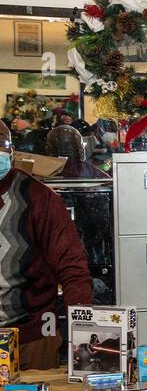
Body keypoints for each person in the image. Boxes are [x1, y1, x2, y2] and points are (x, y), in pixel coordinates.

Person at [0, 120, 94, 369]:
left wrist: (82, 335)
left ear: (12, 150)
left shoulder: (38, 198)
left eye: (2, 144)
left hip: (32, 337)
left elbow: (73, 268)